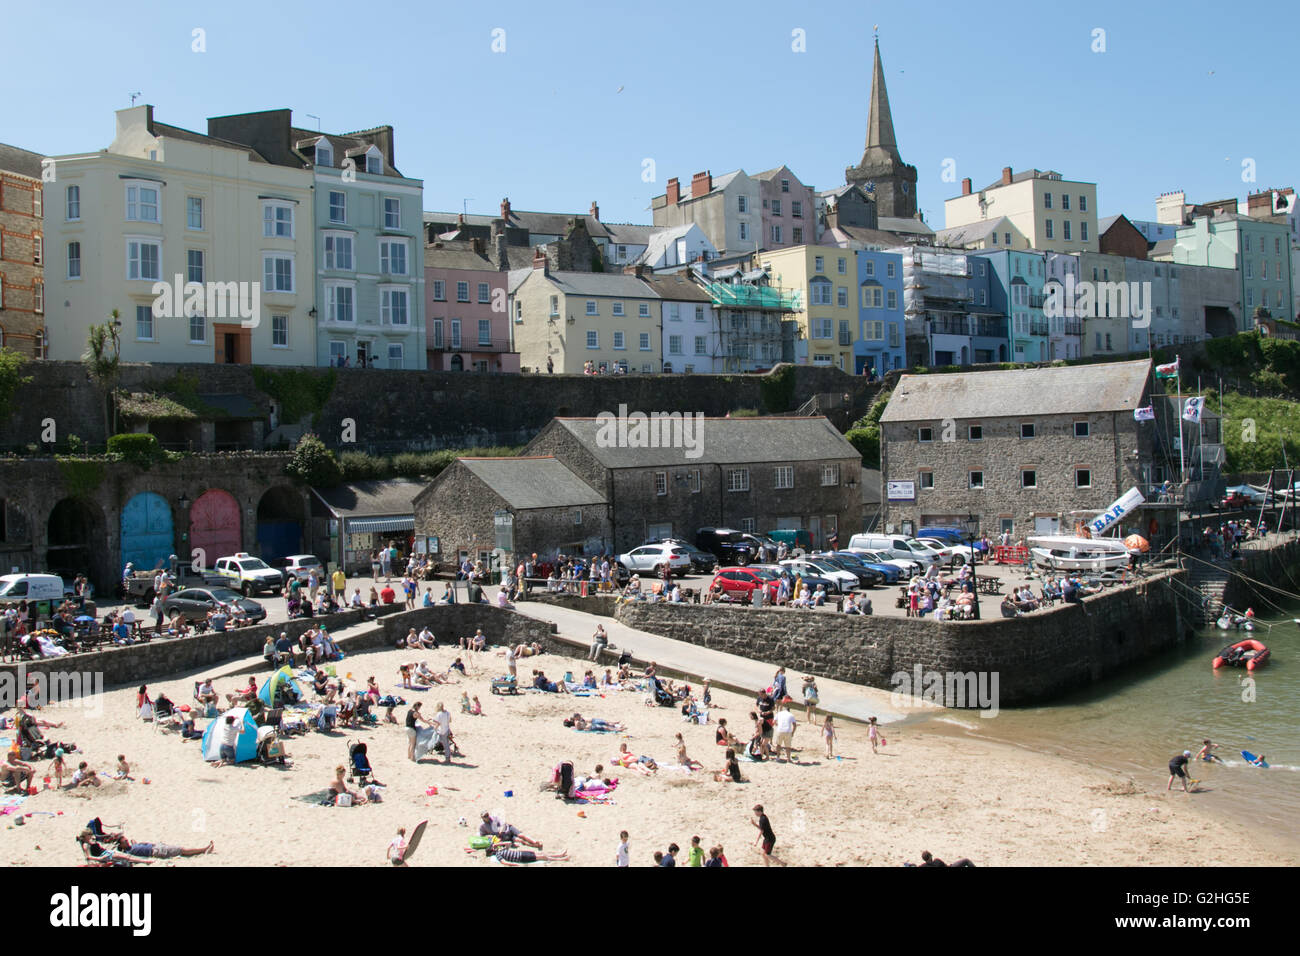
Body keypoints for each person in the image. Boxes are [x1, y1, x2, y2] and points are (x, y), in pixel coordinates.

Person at [488, 844, 569, 865]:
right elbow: (504, 862)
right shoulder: (498, 855)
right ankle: (561, 859)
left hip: (521, 853)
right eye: (492, 848)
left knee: (541, 853)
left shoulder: (500, 850)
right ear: (492, 852)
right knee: (542, 857)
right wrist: (514, 865)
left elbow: (508, 844)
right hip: (521, 857)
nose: (494, 847)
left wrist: (499, 845)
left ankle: (560, 854)